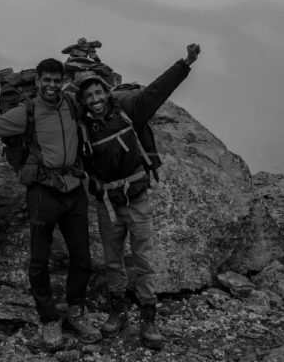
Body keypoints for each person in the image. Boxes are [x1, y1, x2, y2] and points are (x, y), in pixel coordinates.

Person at [0, 58, 101, 344]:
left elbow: (103, 103)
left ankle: (76, 311)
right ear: (38, 81)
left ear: (63, 81)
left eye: (57, 80)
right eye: (47, 80)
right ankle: (48, 319)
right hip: (43, 192)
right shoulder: (26, 113)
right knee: (39, 261)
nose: (52, 85)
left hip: (74, 191)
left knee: (82, 258)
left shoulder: (71, 103)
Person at [74, 43, 201, 350]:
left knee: (143, 259)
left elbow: (157, 91)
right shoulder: (81, 129)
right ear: (83, 101)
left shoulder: (129, 109)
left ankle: (148, 315)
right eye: (89, 96)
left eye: (99, 94)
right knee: (113, 261)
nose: (95, 100)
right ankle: (119, 311)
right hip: (107, 203)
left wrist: (185, 63)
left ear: (107, 93)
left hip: (137, 197)